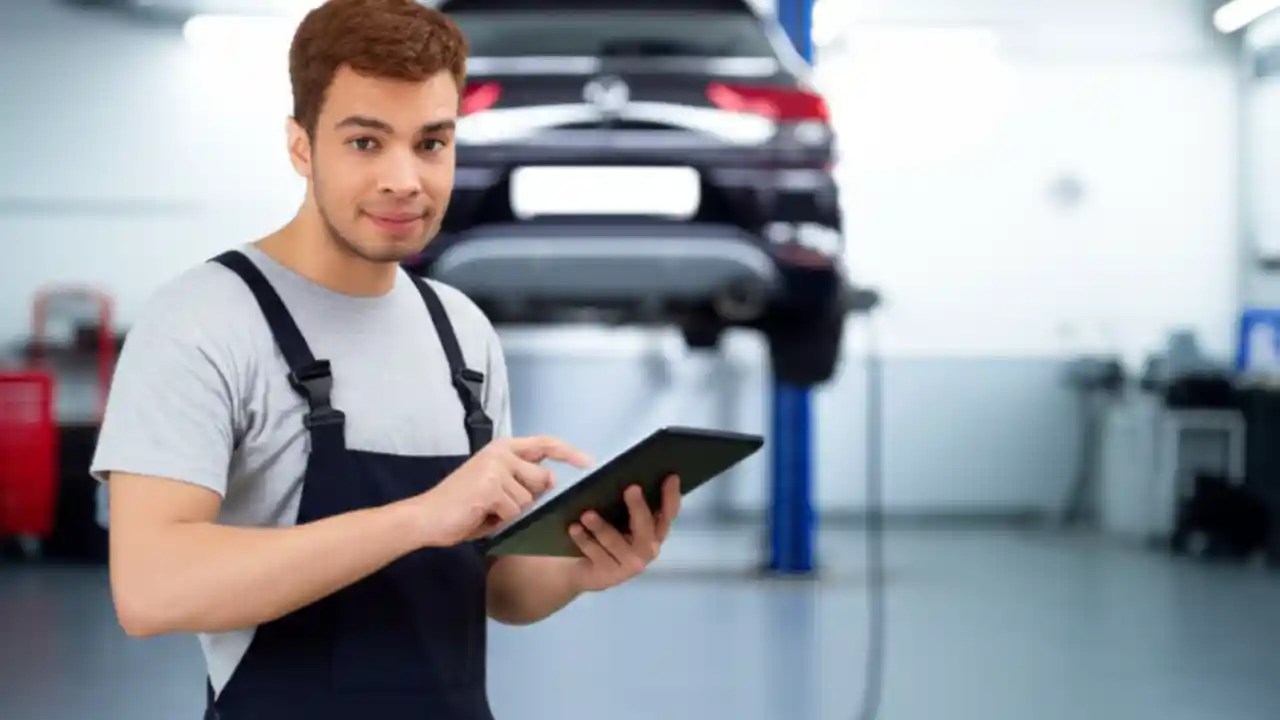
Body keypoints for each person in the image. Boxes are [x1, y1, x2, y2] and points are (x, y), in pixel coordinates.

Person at [89, 1, 682, 718]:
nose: (406, 179)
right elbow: (151, 590)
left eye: (431, 143)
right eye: (367, 143)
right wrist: (419, 517)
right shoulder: (203, 320)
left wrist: (583, 564)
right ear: (300, 147)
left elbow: (494, 588)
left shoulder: (460, 331)